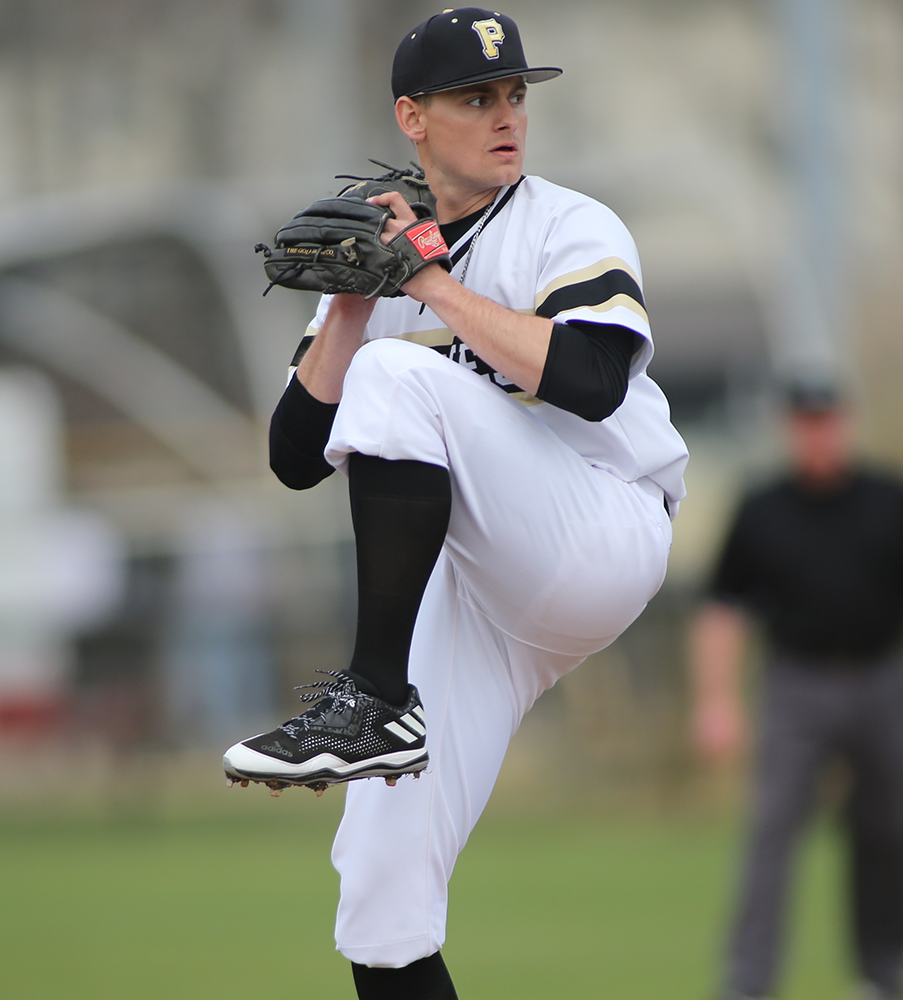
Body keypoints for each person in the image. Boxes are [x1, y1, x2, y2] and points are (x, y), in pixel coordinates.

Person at [220, 9, 687, 998]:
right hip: (480, 582)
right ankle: (382, 706)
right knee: (376, 893)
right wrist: (348, 308)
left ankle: (376, 698)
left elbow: (595, 378)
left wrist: (426, 284)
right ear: (411, 117)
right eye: (475, 97)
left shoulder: (566, 223)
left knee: (398, 376)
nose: (505, 113)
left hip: (601, 521)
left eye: (514, 93)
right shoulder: (380, 254)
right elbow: (294, 457)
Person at [690, 380, 903, 1000]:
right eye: (805, 421)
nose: (817, 433)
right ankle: (748, 985)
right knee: (771, 835)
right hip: (795, 686)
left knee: (889, 831)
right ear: (789, 427)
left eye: (826, 420)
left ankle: (882, 978)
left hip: (881, 679)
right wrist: (716, 701)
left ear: (845, 422)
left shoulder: (892, 499)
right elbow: (722, 610)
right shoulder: (763, 508)